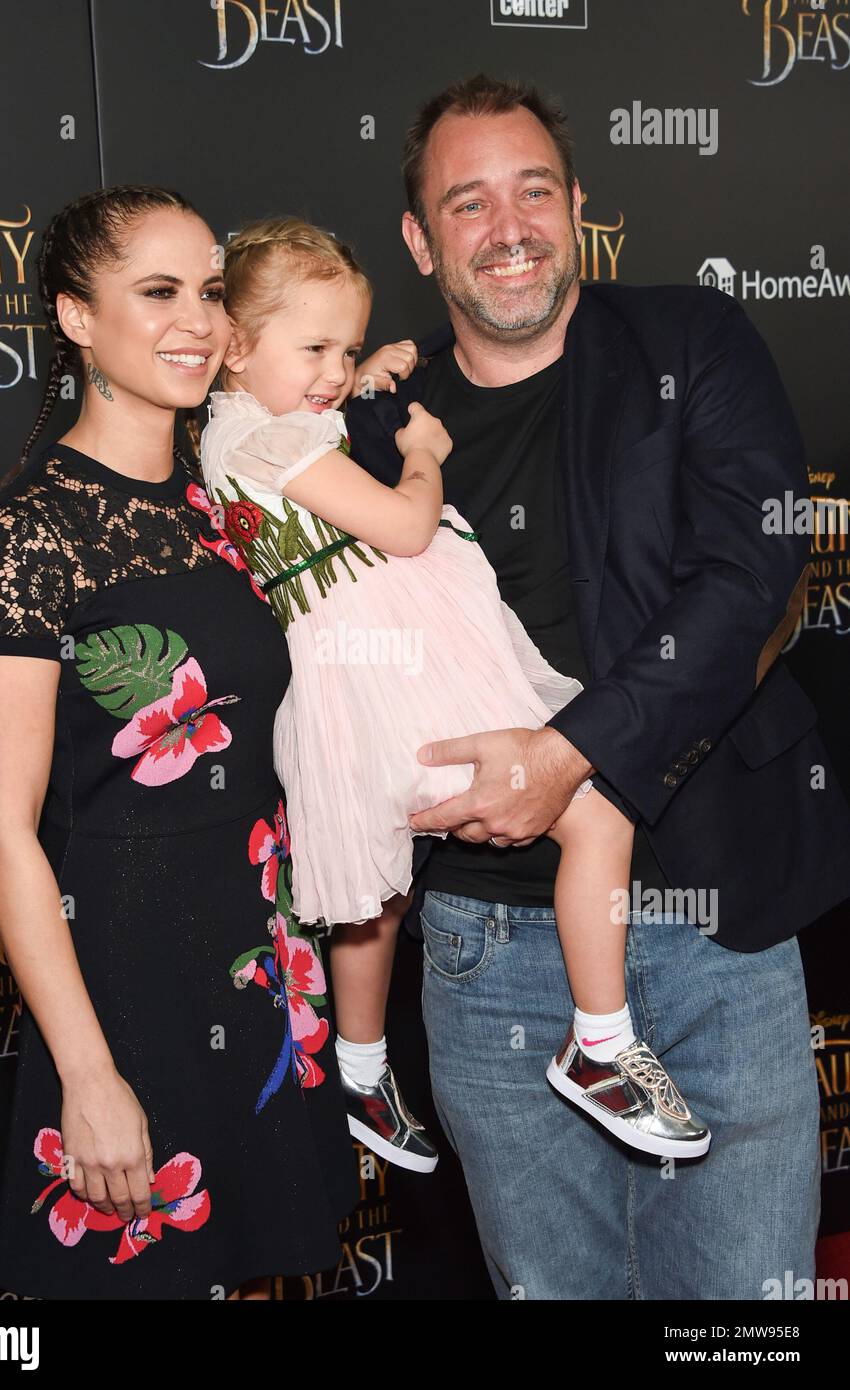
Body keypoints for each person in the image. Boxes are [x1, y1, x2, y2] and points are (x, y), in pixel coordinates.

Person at [345, 73, 850, 1300]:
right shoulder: (370, 432)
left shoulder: (690, 341)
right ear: (419, 239)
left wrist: (567, 757)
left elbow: (748, 576)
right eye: (466, 204)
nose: (506, 227)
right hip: (482, 950)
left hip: (706, 925)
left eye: (532, 192)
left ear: (576, 205)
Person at [200, 216, 711, 1175]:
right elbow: (399, 526)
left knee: (374, 888)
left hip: (356, 670)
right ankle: (599, 1045)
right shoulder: (278, 444)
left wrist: (359, 374)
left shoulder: (236, 427)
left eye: (344, 347)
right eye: (313, 347)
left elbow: (305, 410)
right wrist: (423, 449)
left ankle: (359, 1070)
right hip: (395, 661)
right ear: (234, 345)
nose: (331, 369)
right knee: (597, 815)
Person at [0, 186, 358, 1302]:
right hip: (121, 983)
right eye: (158, 292)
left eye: (213, 293)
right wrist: (86, 1072)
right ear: (76, 317)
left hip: (256, 958)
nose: (198, 320)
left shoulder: (223, 496)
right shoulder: (31, 534)